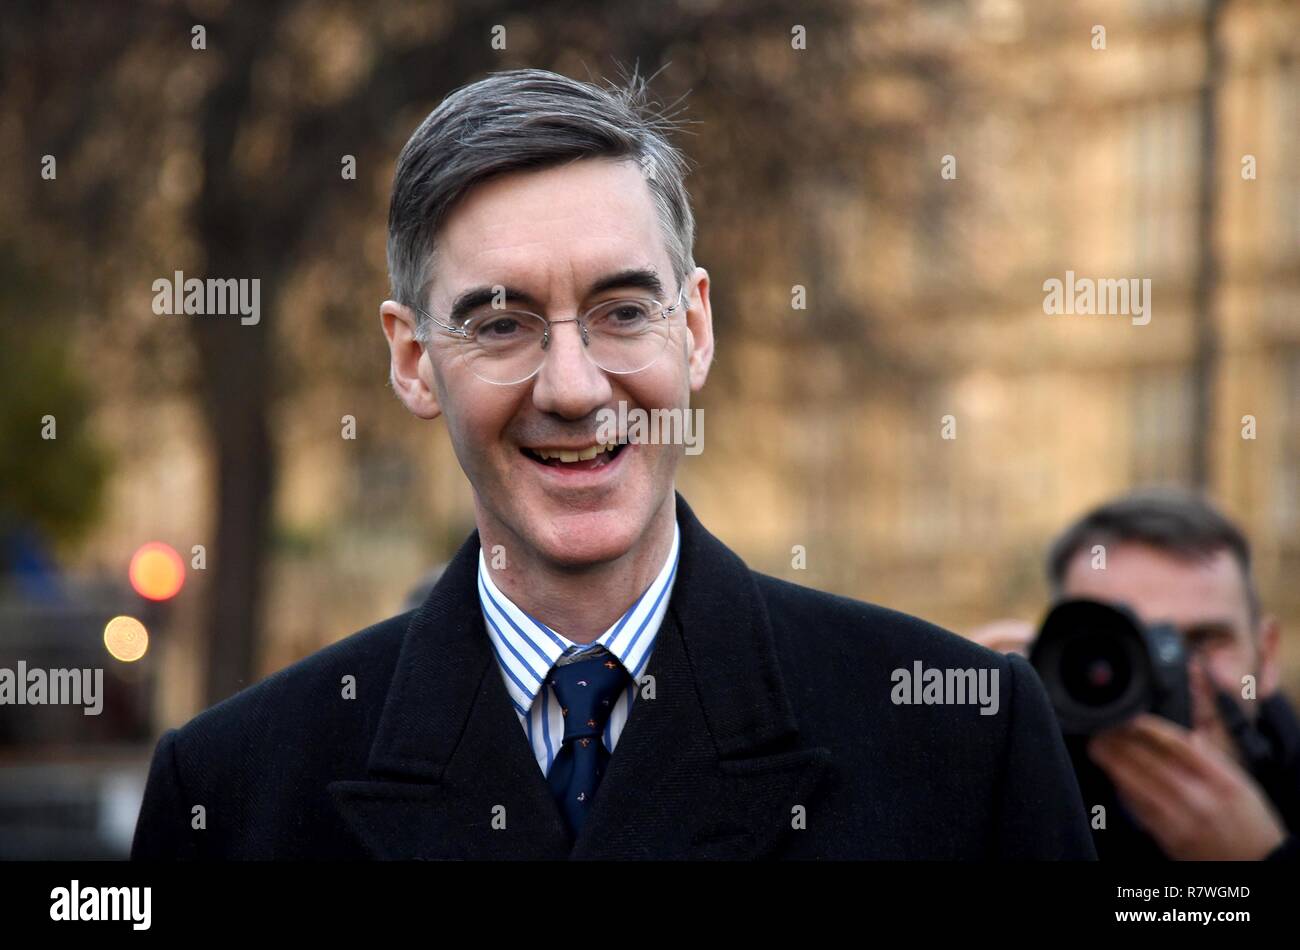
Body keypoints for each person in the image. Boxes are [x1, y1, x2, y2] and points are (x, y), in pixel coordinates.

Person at [131, 68, 1094, 860]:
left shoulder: (965, 746)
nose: (575, 387)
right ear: (413, 361)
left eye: (624, 312)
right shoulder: (231, 793)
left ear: (697, 328)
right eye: (500, 325)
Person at [971, 490, 1300, 860]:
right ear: (1054, 658)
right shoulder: (1019, 796)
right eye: (1124, 644)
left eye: (1203, 640)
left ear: (1267, 656)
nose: (1169, 669)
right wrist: (963, 758)